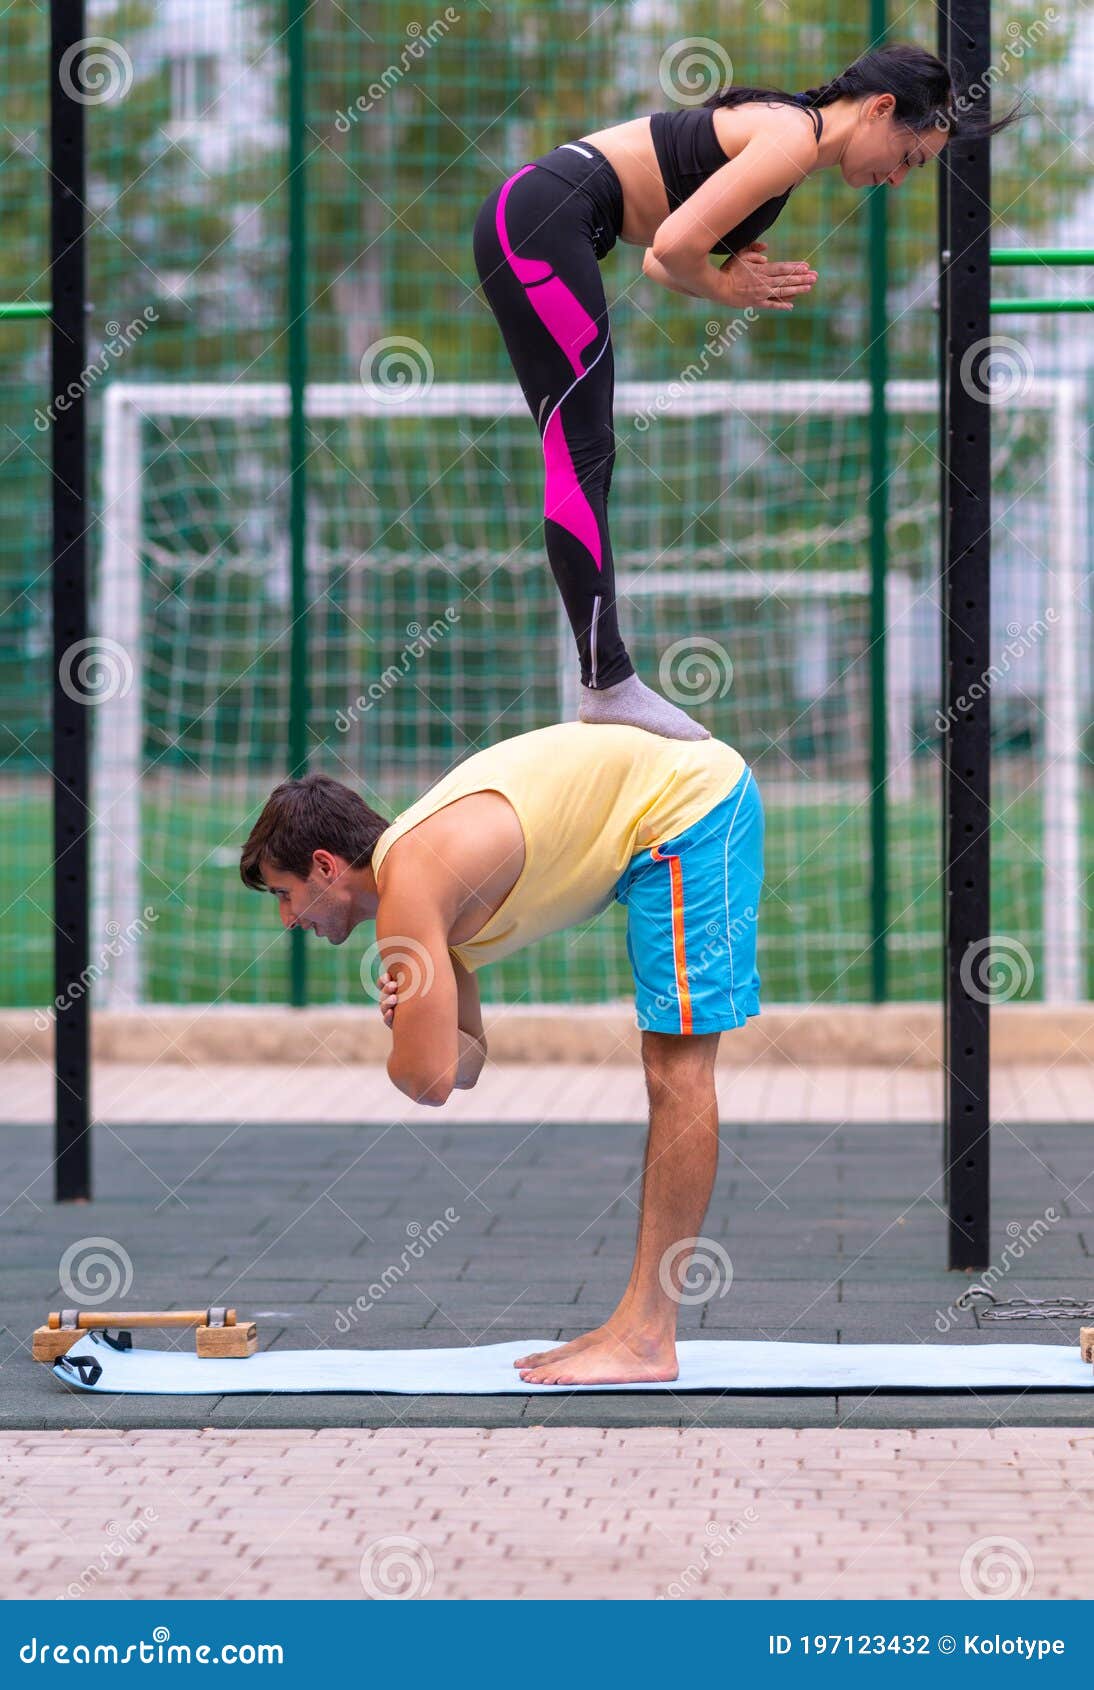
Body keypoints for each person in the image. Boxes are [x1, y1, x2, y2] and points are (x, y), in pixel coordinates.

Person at [471, 41, 1023, 740]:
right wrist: (726, 285)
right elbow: (672, 250)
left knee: (585, 451)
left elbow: (660, 260)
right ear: (880, 109)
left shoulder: (790, 139)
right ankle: (606, 681)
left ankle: (605, 679)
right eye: (909, 158)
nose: (897, 179)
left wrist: (717, 281)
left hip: (537, 220)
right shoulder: (792, 138)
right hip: (541, 222)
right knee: (581, 452)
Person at [240, 721, 764, 1385]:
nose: (288, 920)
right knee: (669, 1066)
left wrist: (410, 1035)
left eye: (284, 895)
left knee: (676, 1068)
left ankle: (647, 1337)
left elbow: (426, 1081)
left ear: (324, 865)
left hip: (693, 807)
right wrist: (422, 1031)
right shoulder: (424, 889)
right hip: (671, 817)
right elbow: (465, 1066)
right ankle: (636, 1327)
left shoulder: (411, 887)